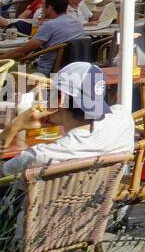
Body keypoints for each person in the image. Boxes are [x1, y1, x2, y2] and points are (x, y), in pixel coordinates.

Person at [1, 62, 133, 181]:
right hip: (101, 204)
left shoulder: (39, 156)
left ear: (60, 98)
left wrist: (14, 126)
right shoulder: (123, 118)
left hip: (41, 207)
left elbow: (4, 172)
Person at [0, 0, 86, 75]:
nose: (42, 9)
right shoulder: (77, 24)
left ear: (50, 8)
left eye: (43, 6)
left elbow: (20, 52)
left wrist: (2, 58)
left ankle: (20, 87)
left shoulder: (50, 25)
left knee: (8, 66)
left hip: (45, 72)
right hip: (72, 70)